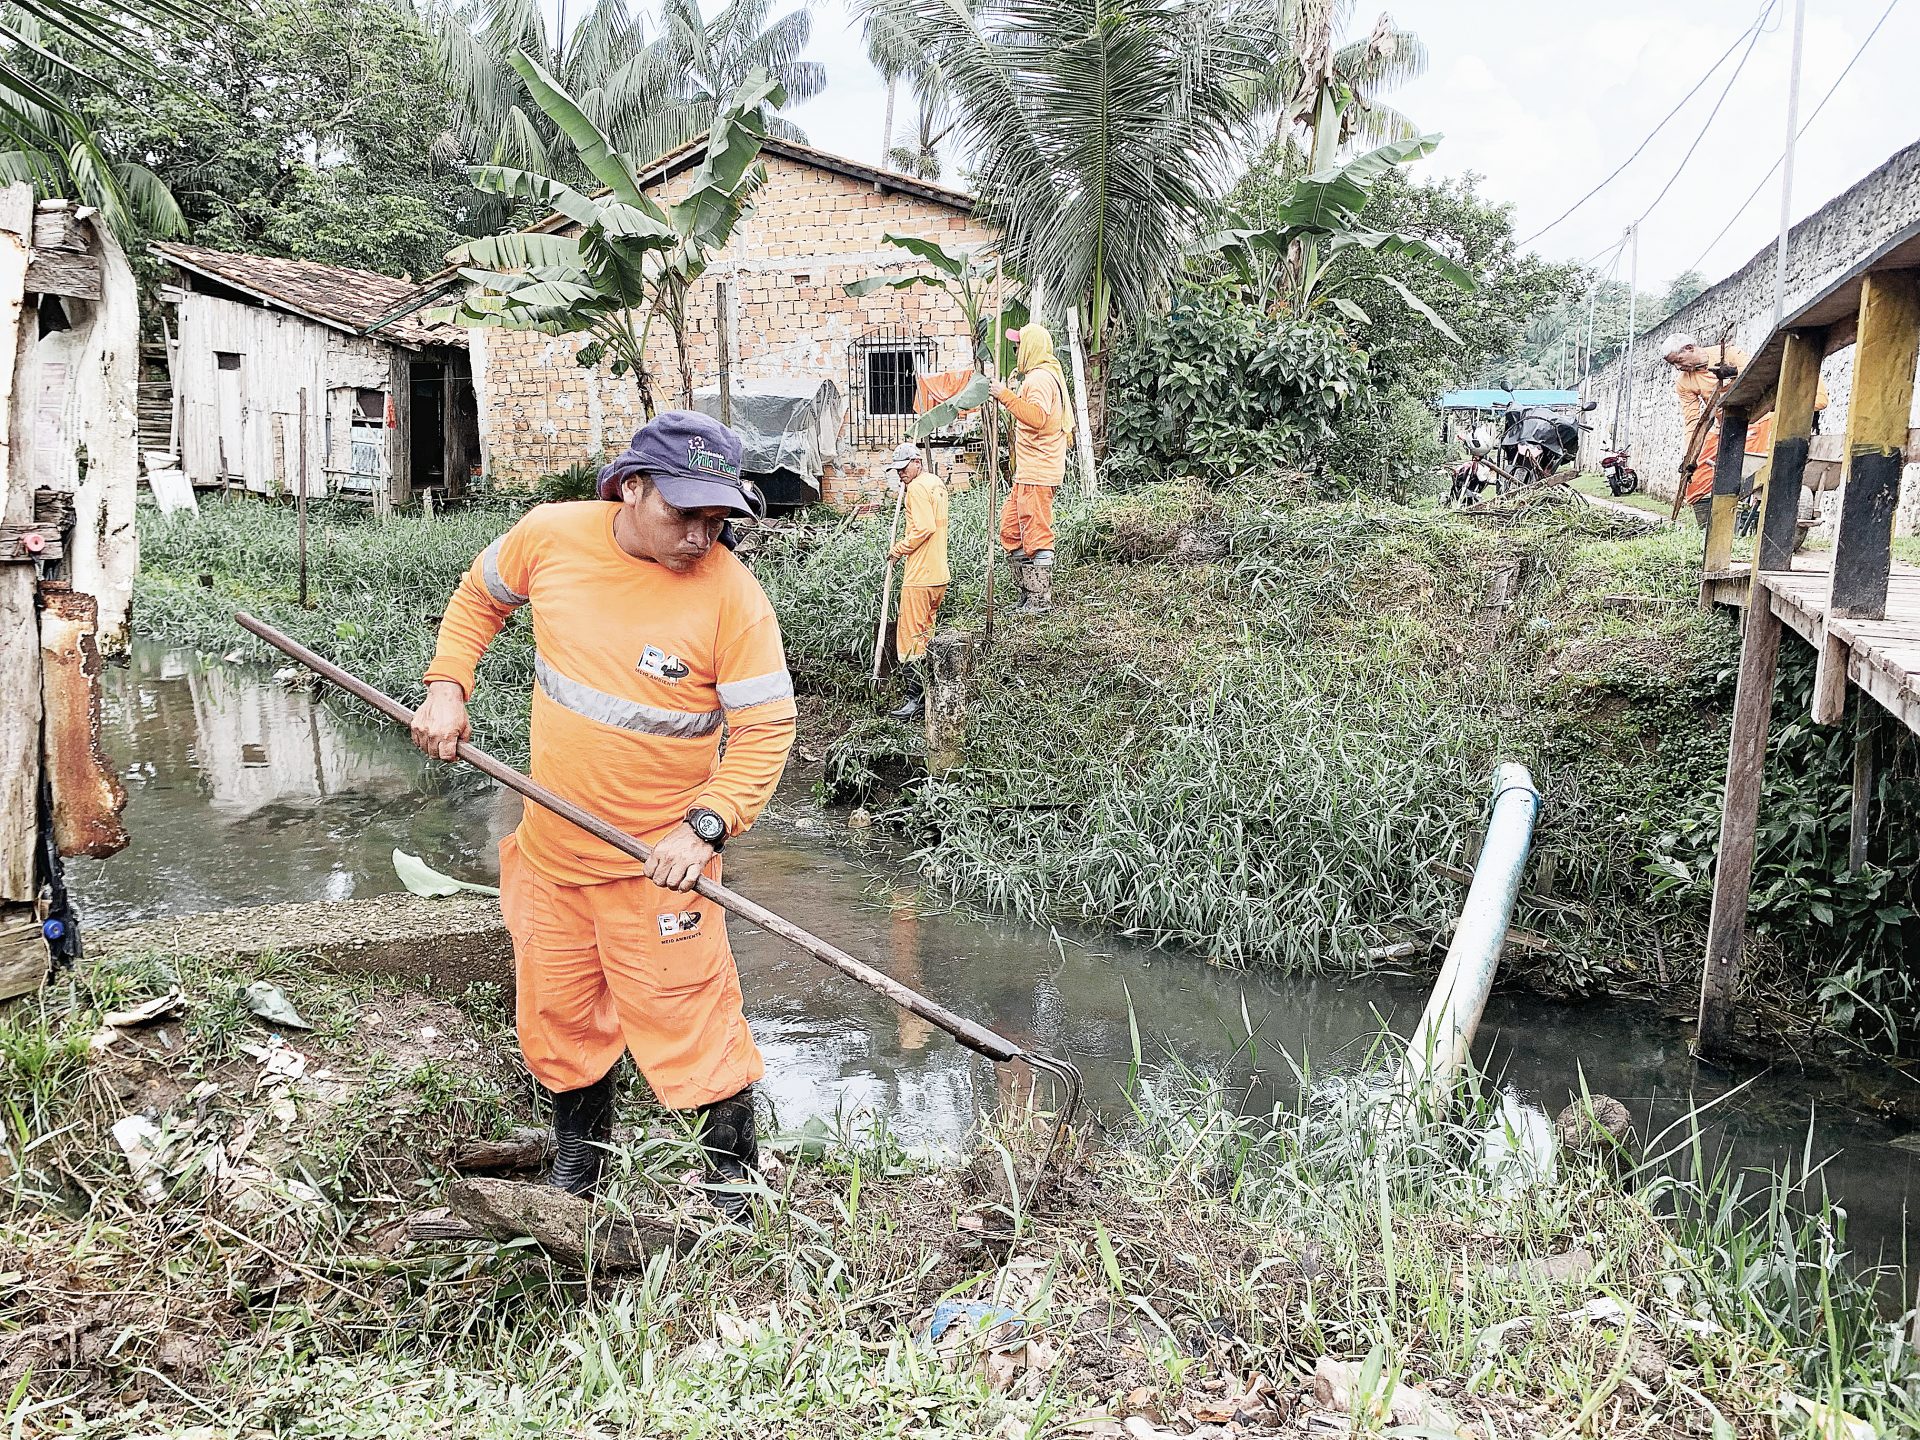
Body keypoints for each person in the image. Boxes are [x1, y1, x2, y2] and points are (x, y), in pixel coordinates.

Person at [412, 411, 796, 1218]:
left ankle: (733, 1192)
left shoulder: (732, 596)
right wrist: (447, 686)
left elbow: (766, 729)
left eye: (717, 518)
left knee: (693, 1021)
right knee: (560, 1014)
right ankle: (579, 1172)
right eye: (684, 513)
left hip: (660, 868)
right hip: (553, 856)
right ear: (632, 488)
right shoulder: (550, 536)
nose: (701, 536)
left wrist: (705, 826)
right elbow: (479, 599)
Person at [1661, 332, 1826, 527]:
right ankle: (1709, 528)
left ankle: (1752, 519)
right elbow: (1693, 422)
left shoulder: (1728, 354)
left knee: (1749, 470)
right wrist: (1690, 456)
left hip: (1757, 420)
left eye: (1678, 361)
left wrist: (1732, 373)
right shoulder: (1684, 382)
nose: (1678, 367)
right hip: (1725, 427)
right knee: (1697, 477)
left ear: (1690, 348)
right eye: (1673, 364)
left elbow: (1759, 376)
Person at [990, 323, 1073, 614]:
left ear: (1030, 348)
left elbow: (1037, 417)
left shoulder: (1039, 379)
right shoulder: (1040, 376)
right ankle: (1027, 595)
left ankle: (1040, 599)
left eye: (1018, 346)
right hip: (1028, 471)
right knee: (1011, 531)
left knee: (1037, 534)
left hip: (1038, 471)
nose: (1015, 351)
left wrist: (1005, 396)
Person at [884, 441, 948, 720]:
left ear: (917, 462)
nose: (901, 474)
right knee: (925, 636)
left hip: (920, 578)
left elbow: (924, 528)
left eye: (904, 468)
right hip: (938, 575)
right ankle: (929, 695)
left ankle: (915, 701)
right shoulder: (936, 483)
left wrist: (898, 549)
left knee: (910, 639)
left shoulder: (917, 489)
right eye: (897, 470)